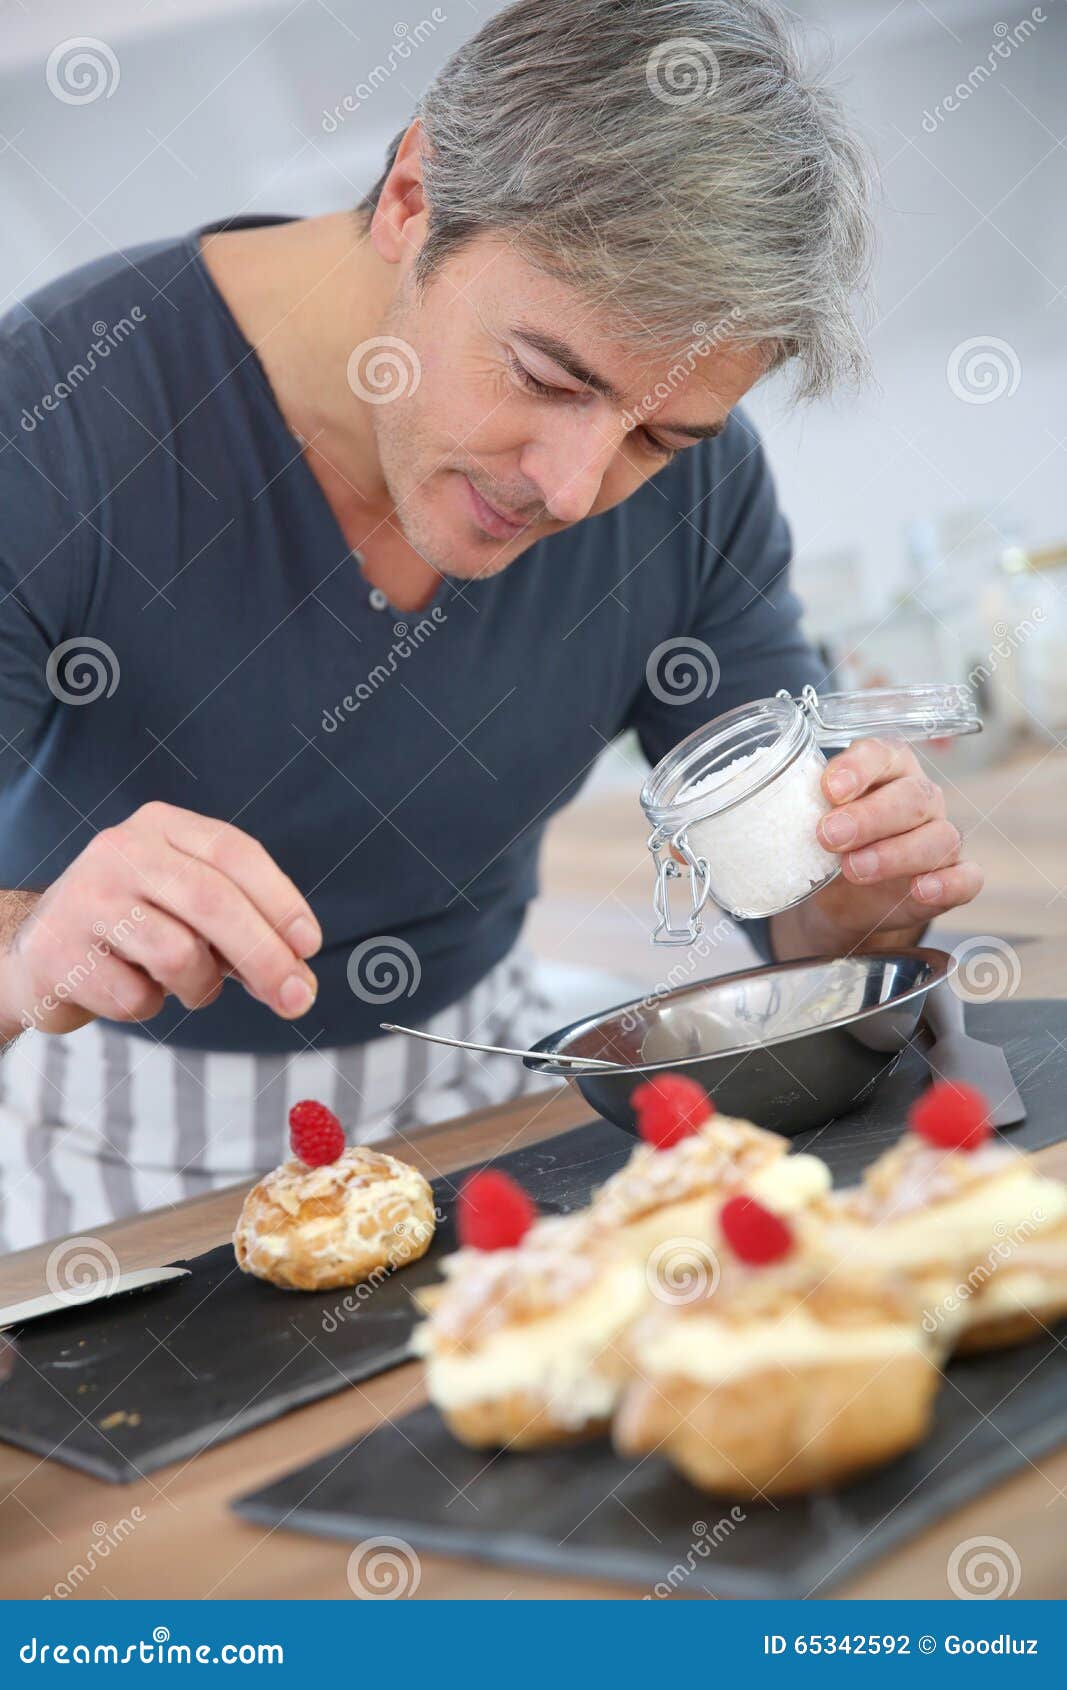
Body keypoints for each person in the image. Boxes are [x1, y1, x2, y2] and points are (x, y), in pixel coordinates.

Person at [0, 0, 981, 1252]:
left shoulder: (699, 488)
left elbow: (794, 913)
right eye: (545, 378)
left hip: (487, 1106)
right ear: (413, 194)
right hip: (116, 1162)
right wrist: (35, 946)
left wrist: (853, 911)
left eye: (652, 436)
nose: (570, 489)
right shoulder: (52, 420)